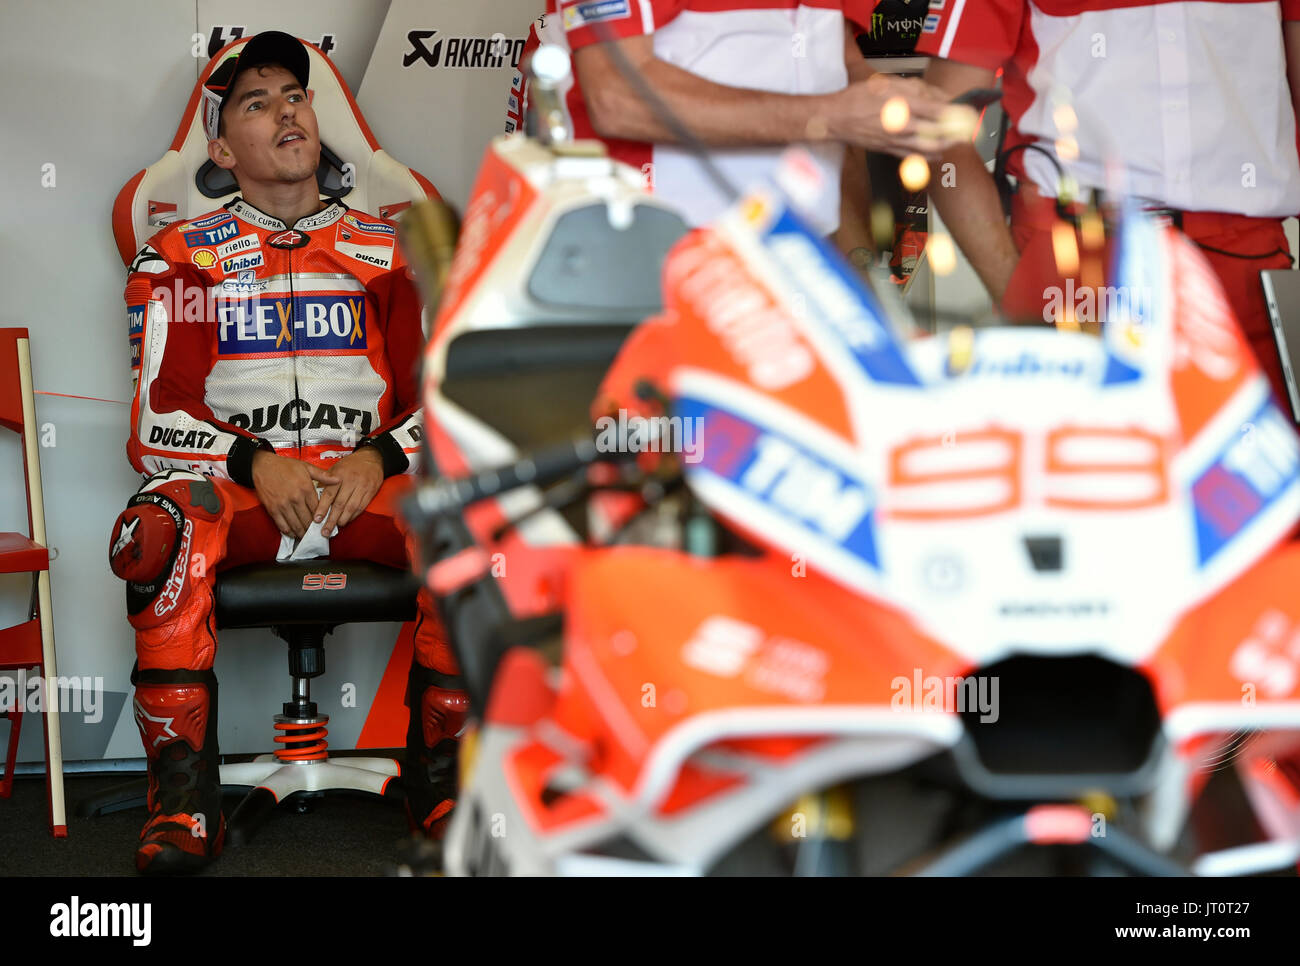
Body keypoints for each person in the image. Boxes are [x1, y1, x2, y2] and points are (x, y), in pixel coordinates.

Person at [109, 31, 465, 874]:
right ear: (223, 149)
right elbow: (156, 419)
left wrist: (377, 457)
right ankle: (184, 804)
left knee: (471, 521)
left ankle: (443, 782)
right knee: (162, 526)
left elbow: (447, 405)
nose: (286, 111)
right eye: (256, 102)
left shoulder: (394, 250)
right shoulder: (184, 258)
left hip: (363, 490)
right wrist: (254, 464)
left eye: (296, 96)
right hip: (245, 501)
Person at [919, 1, 1300, 401]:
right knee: (1081, 458)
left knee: (1251, 458)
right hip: (1072, 264)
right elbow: (938, 125)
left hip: (1245, 266)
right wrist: (1015, 291)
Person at [506, 1, 975, 242]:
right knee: (671, 428)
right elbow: (618, 96)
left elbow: (837, 57)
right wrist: (830, 117)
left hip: (795, 246)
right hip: (656, 246)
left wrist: (897, 102)